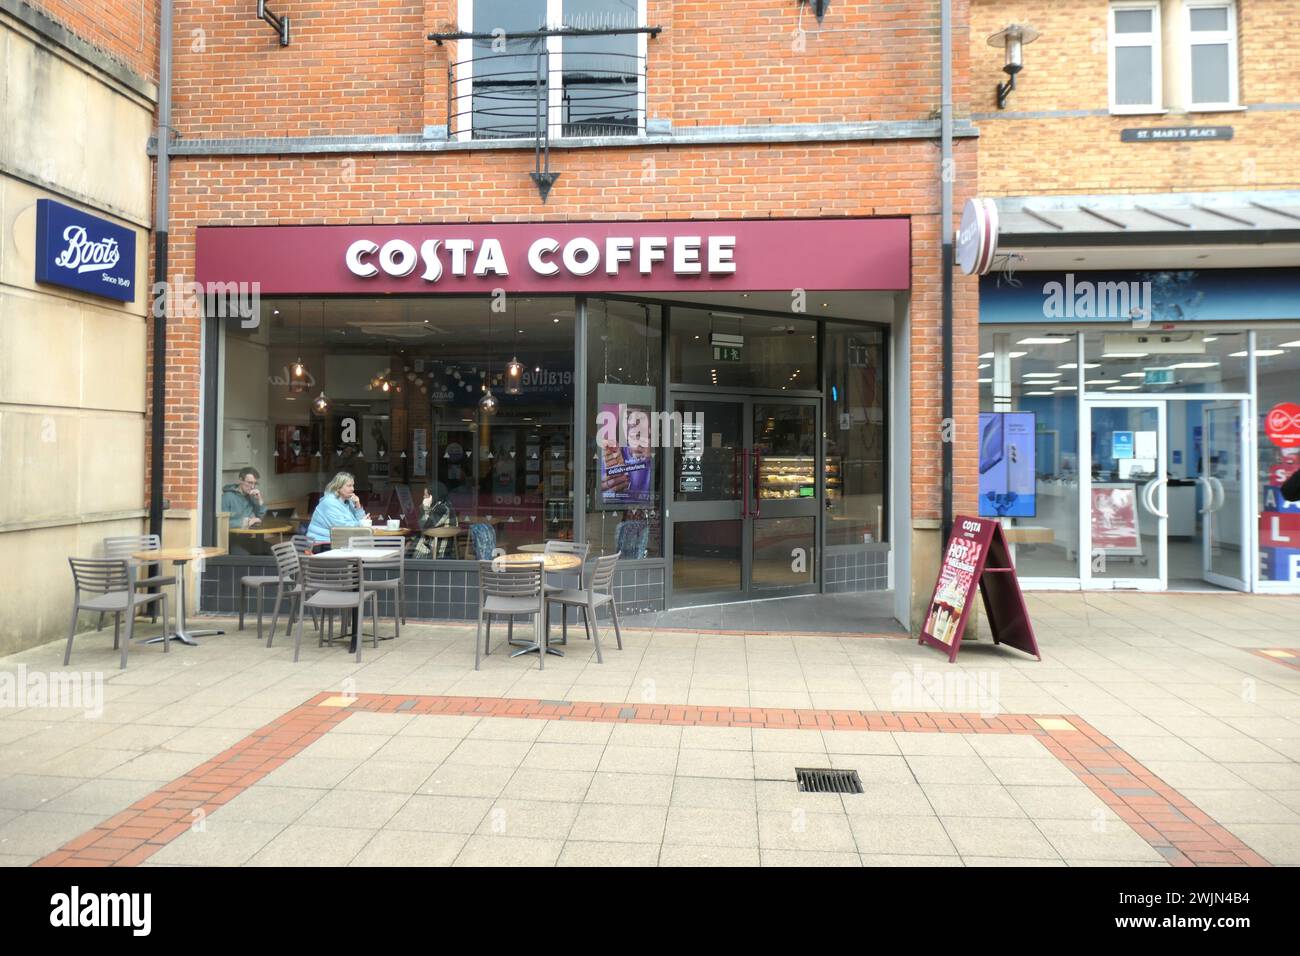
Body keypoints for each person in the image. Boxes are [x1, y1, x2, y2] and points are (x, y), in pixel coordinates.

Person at [306, 472, 367, 544]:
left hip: (338, 541)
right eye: (349, 486)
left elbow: (362, 521)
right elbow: (341, 527)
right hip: (320, 543)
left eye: (353, 486)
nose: (352, 489)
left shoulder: (348, 500)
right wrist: (361, 524)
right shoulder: (330, 502)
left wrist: (358, 505)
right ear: (338, 487)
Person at [414, 484, 458, 559]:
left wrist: (426, 508)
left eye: (426, 495)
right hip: (434, 546)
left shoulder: (442, 508)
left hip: (438, 551)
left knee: (412, 546)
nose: (423, 497)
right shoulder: (439, 506)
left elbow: (424, 527)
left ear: (433, 496)